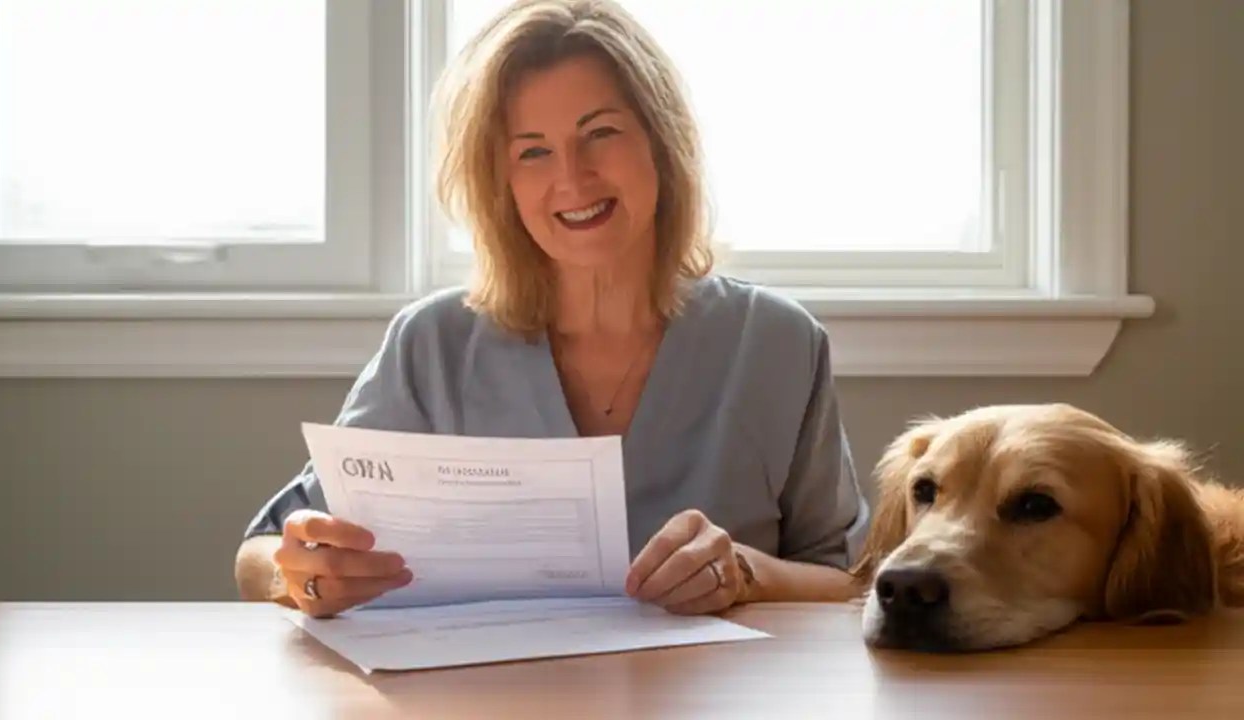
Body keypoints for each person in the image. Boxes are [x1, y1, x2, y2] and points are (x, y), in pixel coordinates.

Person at [234, 0, 869, 619]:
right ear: (500, 183)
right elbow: (262, 551)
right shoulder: (432, 344)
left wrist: (745, 575)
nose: (572, 177)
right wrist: (303, 579)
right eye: (533, 151)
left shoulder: (778, 342)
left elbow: (849, 580)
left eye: (601, 134)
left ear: (661, 144)